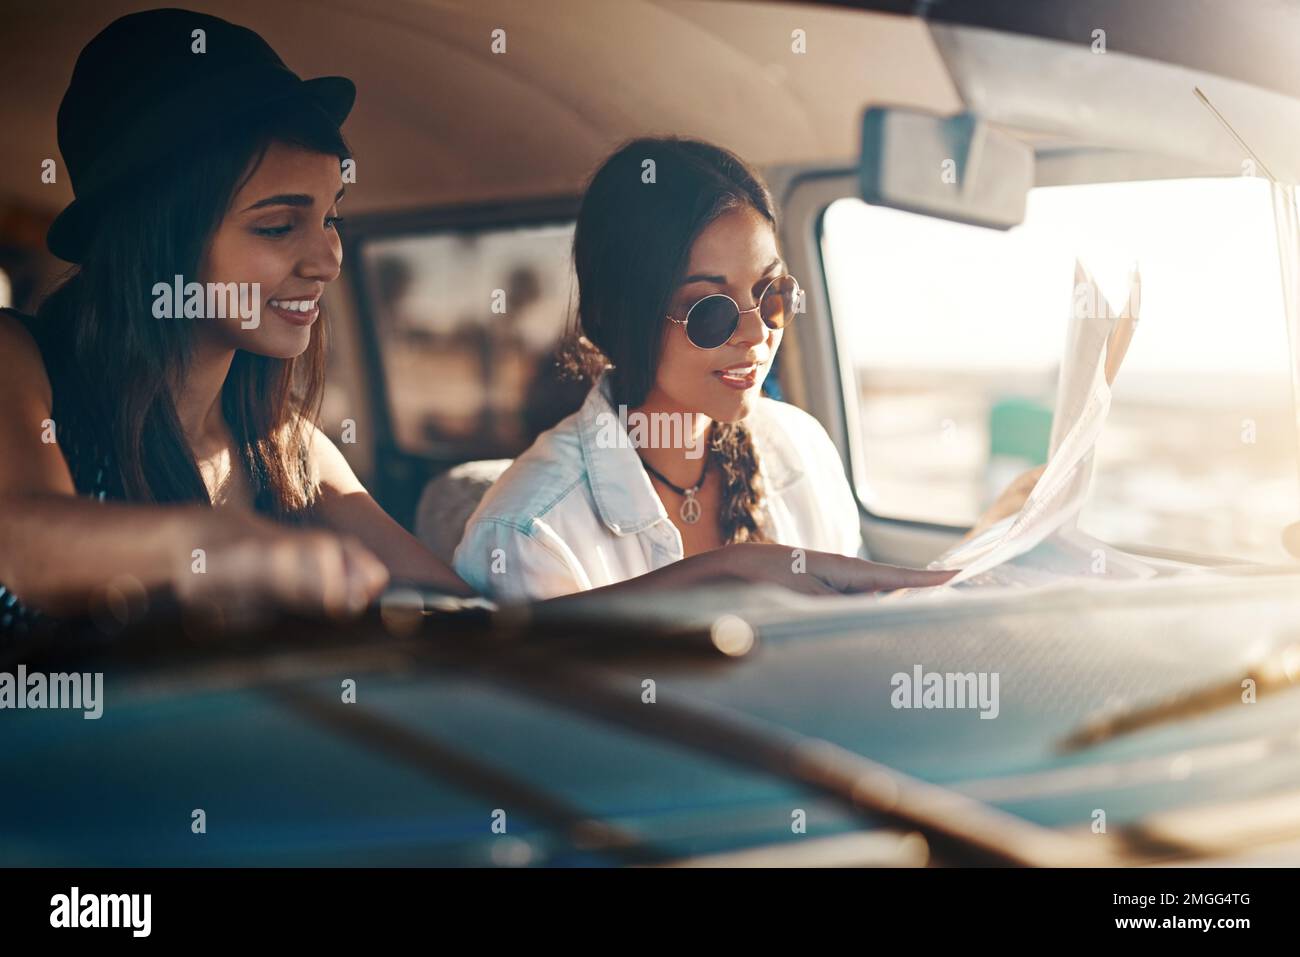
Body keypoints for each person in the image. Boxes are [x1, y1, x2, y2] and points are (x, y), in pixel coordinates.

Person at [0, 14, 954, 639]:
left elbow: (478, 631)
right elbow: (26, 546)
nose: (325, 256)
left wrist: (735, 574)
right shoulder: (22, 364)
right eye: (278, 225)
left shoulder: (282, 447)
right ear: (157, 240)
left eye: (330, 217)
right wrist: (227, 550)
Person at [453, 138, 1034, 602]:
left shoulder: (799, 448)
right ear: (617, 317)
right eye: (712, 311)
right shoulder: (530, 532)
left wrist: (987, 545)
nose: (758, 334)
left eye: (772, 293)